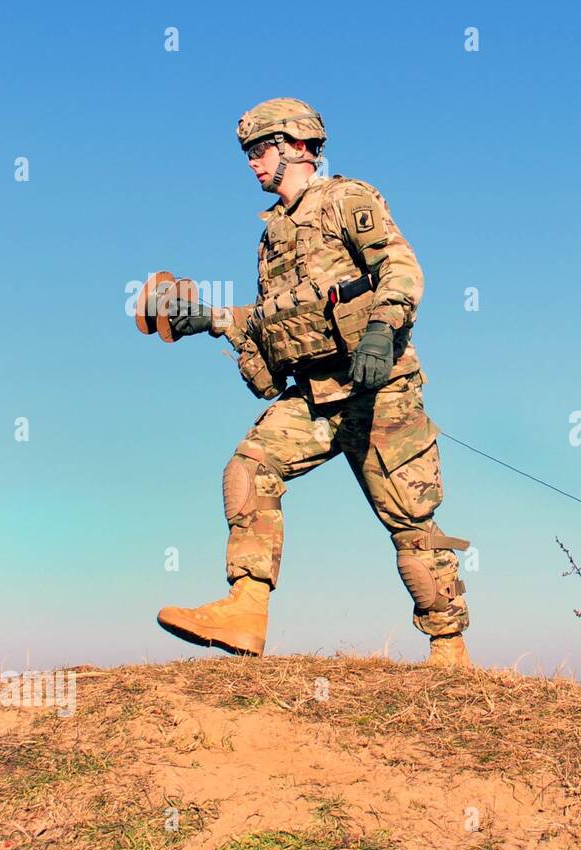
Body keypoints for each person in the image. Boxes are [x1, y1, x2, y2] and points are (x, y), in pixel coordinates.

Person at [153, 98, 472, 667]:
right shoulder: (272, 236)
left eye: (260, 149)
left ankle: (449, 650)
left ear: (298, 146)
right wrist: (211, 318)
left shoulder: (347, 200)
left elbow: (400, 266)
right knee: (249, 468)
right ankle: (246, 608)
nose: (251, 163)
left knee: (410, 522)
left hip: (382, 391)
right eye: (247, 153)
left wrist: (382, 328)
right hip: (316, 396)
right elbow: (280, 318)